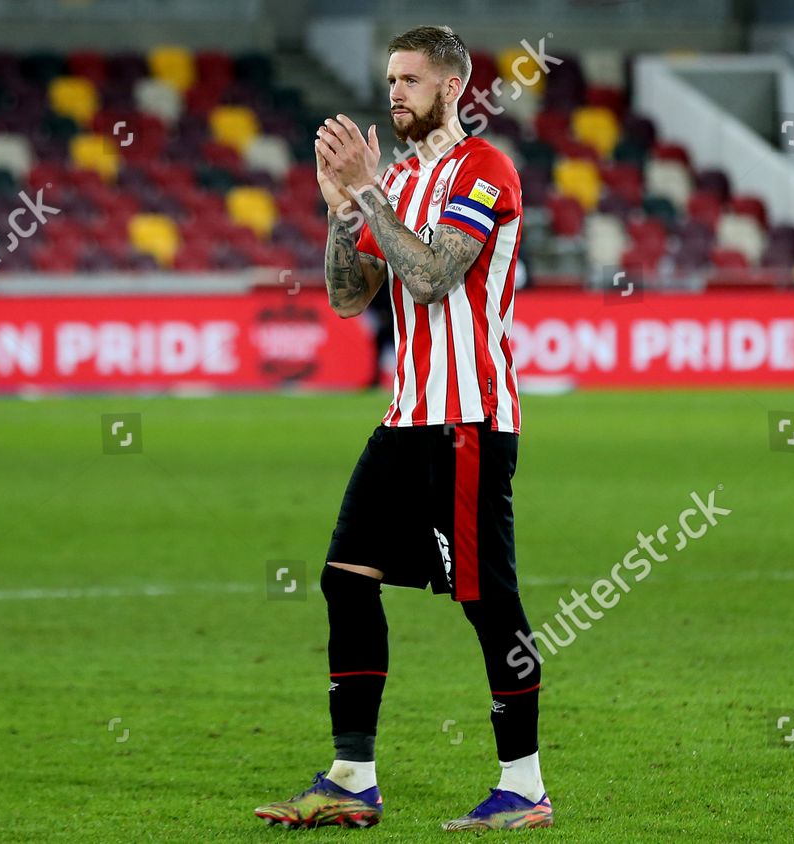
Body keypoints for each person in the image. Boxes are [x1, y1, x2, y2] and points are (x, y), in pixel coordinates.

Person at [254, 26, 551, 832]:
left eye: (411, 81)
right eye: (390, 80)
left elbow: (429, 278)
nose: (394, 94)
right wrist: (337, 209)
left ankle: (523, 786)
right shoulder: (405, 183)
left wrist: (369, 193)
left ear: (452, 88)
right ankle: (353, 776)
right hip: (404, 417)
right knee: (344, 577)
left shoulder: (482, 170)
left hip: (468, 421)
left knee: (489, 603)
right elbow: (352, 297)